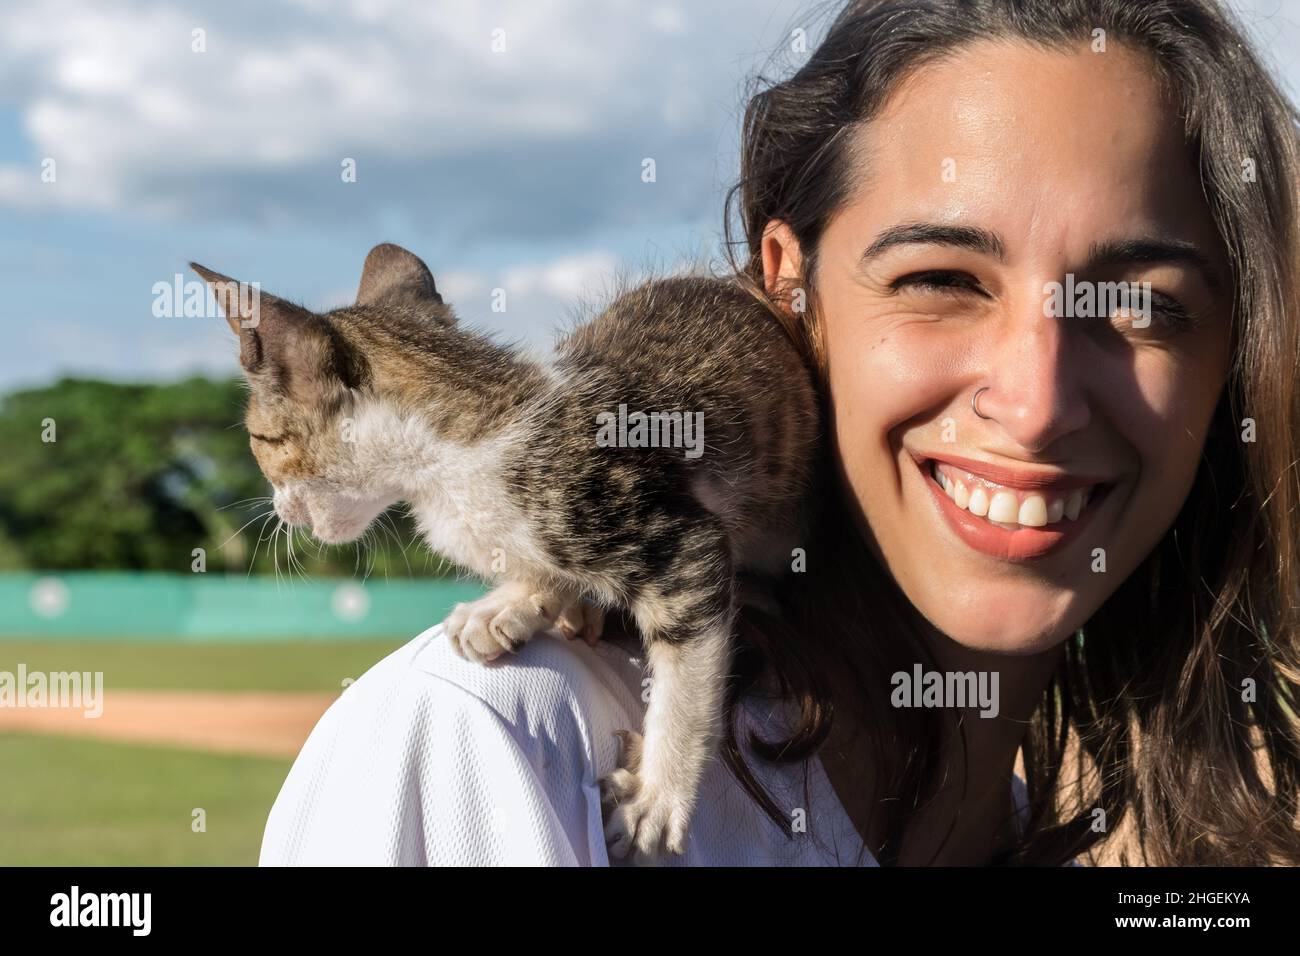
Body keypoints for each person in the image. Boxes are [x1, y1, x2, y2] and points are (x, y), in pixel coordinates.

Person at [261, 0, 1300, 866]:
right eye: (938, 279)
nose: (1035, 400)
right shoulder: (490, 745)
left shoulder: (1067, 834)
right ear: (789, 284)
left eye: (1142, 304)